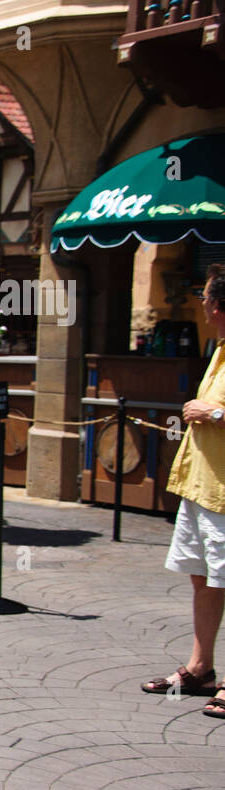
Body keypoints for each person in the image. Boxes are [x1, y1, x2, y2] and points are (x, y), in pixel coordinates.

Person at [142, 264, 225, 714]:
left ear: (217, 305)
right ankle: (200, 669)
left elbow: (215, 412)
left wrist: (211, 414)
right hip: (202, 485)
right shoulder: (219, 349)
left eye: (207, 299)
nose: (204, 307)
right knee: (203, 578)